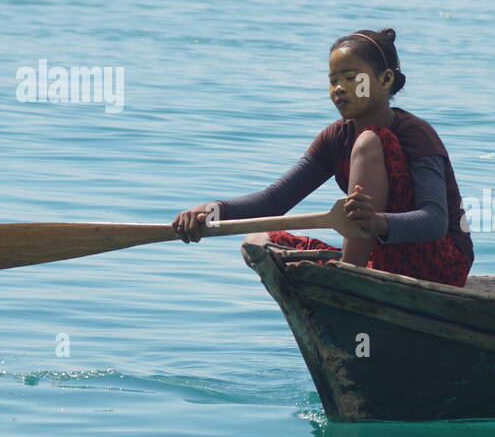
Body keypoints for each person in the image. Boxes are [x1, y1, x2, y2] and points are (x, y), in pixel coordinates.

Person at [172, 28, 474, 287]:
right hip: (384, 259)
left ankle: (352, 278)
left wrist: (376, 222)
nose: (339, 88)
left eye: (352, 78)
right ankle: (353, 277)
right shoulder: (335, 137)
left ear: (384, 81)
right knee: (264, 240)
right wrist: (210, 211)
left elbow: (434, 221)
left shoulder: (415, 134)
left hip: (440, 264)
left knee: (371, 141)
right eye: (333, 80)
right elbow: (273, 203)